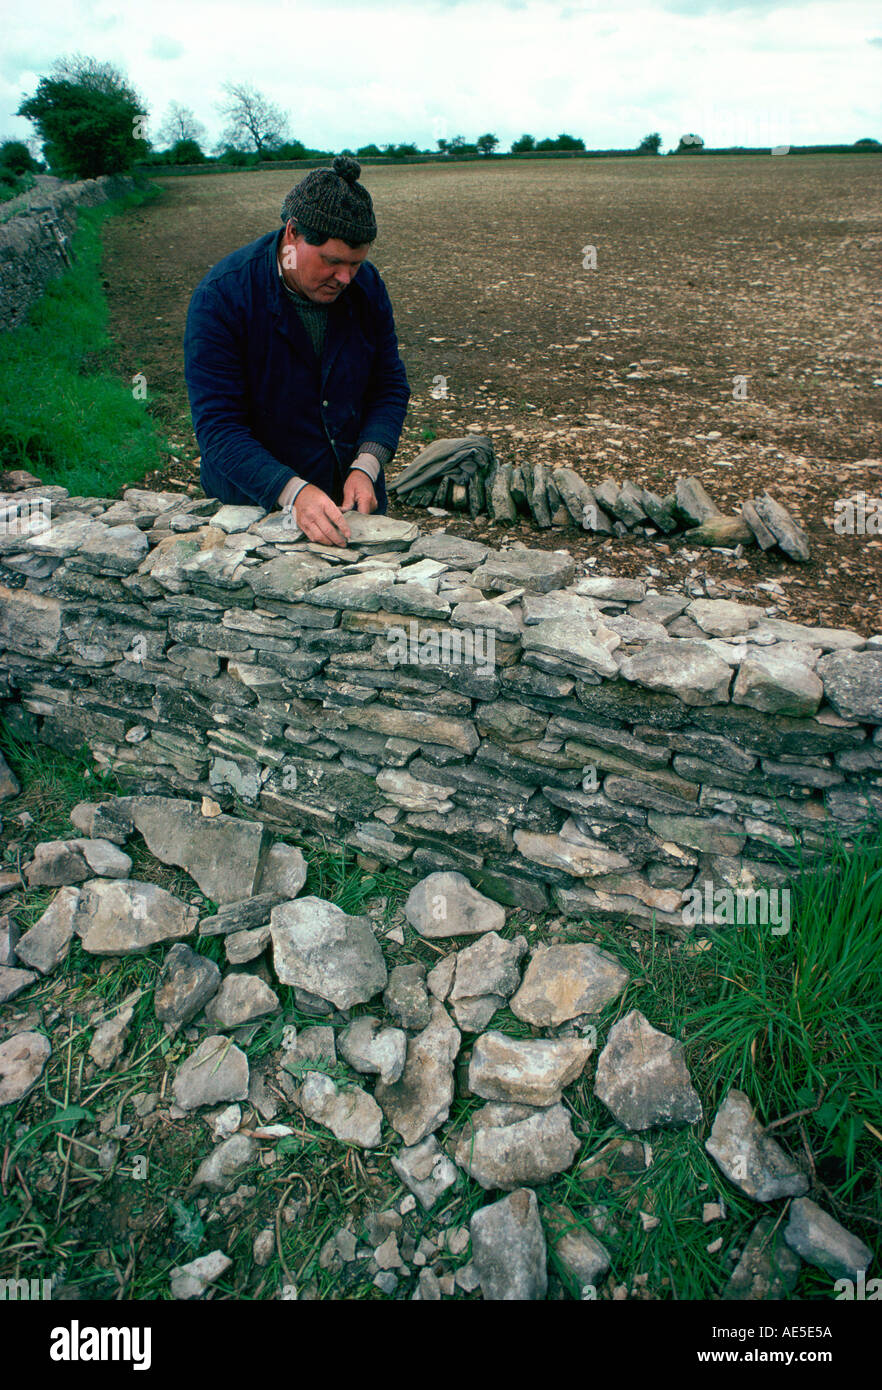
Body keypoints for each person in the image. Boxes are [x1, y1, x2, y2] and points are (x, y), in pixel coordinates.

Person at [184, 156, 410, 547]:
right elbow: (218, 429)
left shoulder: (366, 287)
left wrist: (366, 466)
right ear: (292, 234)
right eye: (332, 261)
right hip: (255, 511)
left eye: (356, 264)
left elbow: (389, 385)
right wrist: (293, 492)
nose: (345, 278)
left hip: (350, 507)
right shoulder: (222, 297)